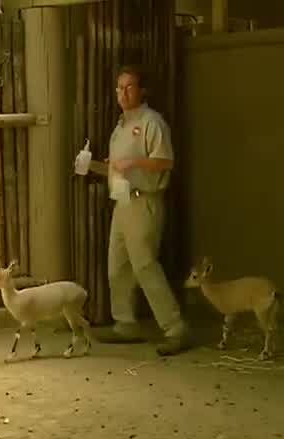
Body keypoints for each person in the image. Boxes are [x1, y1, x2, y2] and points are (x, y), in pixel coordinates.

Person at [82, 64, 189, 356]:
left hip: (145, 201)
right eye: (119, 87)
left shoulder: (152, 122)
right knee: (117, 265)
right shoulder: (121, 127)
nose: (123, 93)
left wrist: (134, 163)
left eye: (129, 87)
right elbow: (117, 169)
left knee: (144, 265)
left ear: (142, 91)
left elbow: (165, 161)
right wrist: (91, 166)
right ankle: (125, 323)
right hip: (123, 200)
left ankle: (174, 327)